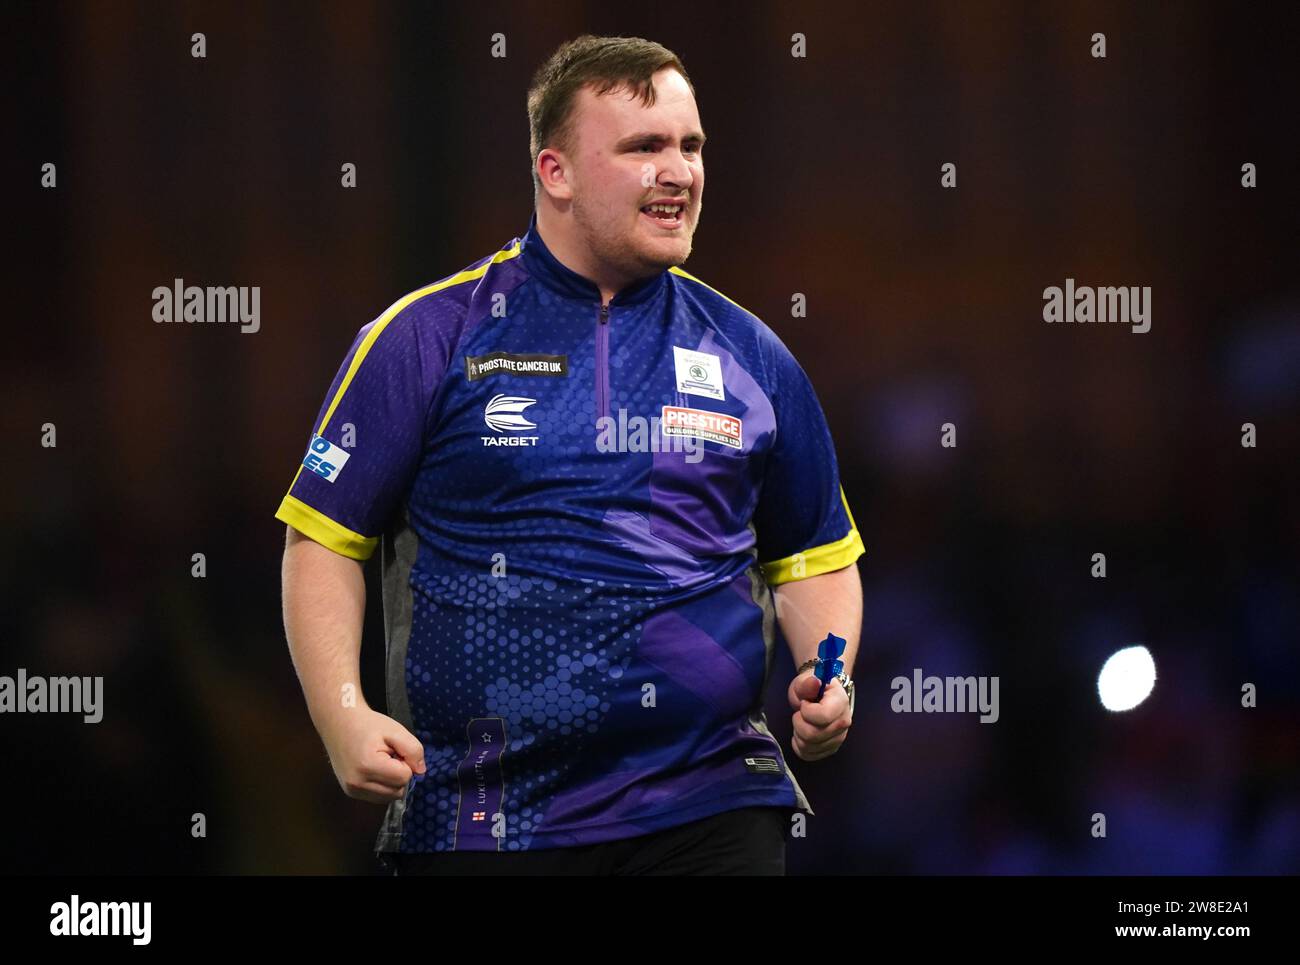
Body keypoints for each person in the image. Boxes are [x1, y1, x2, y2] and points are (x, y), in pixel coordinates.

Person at [276, 34, 864, 876]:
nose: (680, 171)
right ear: (555, 172)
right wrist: (342, 714)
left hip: (711, 801)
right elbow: (323, 538)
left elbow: (812, 552)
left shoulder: (751, 353)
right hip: (485, 811)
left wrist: (828, 673)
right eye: (644, 148)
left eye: (690, 145)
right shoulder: (428, 336)